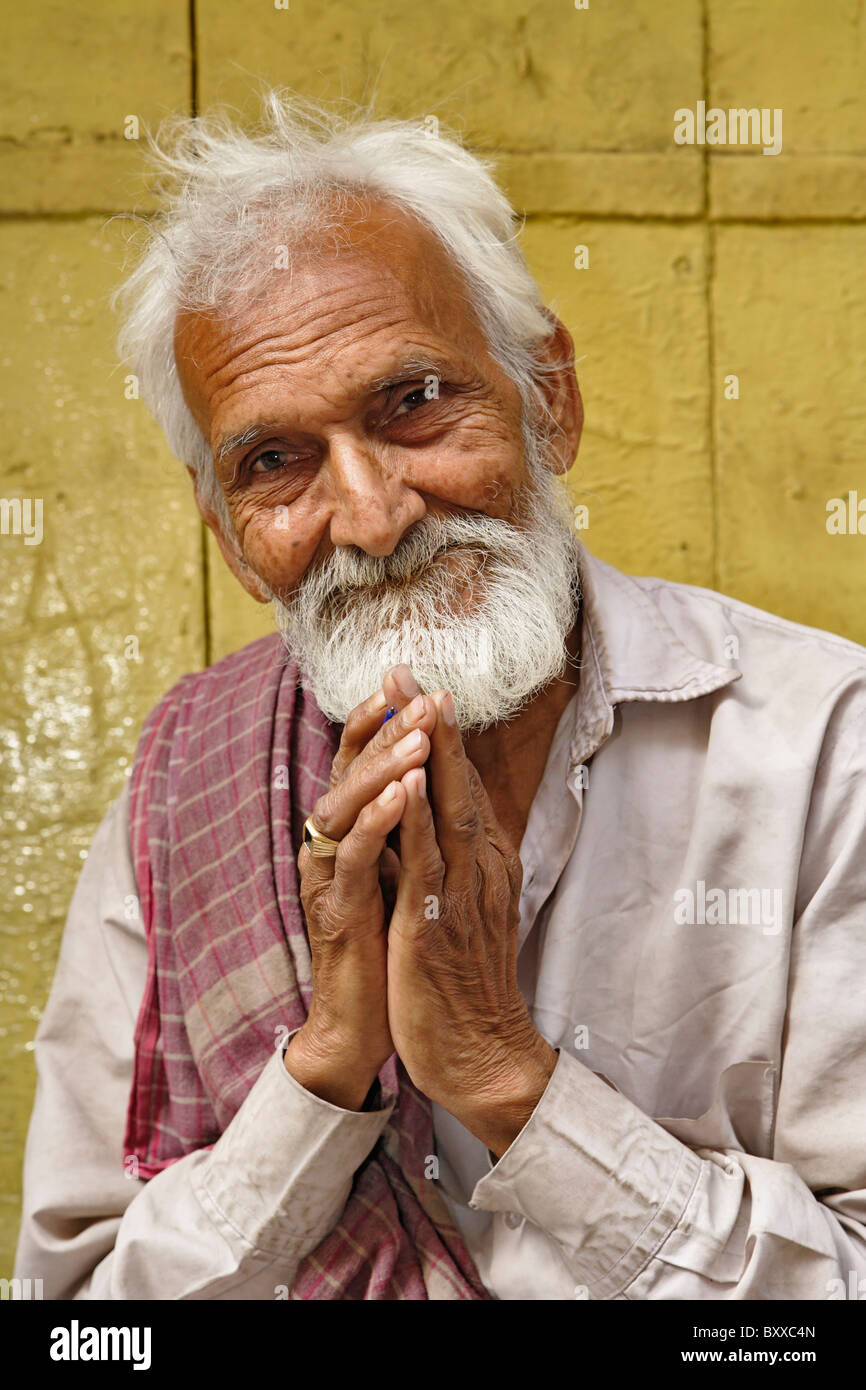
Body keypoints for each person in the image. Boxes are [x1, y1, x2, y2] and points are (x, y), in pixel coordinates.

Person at [14, 92, 866, 1300]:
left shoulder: (822, 746)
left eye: (410, 403)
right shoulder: (178, 794)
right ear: (232, 538)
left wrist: (512, 1085)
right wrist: (318, 1078)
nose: (369, 517)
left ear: (547, 398)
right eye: (274, 462)